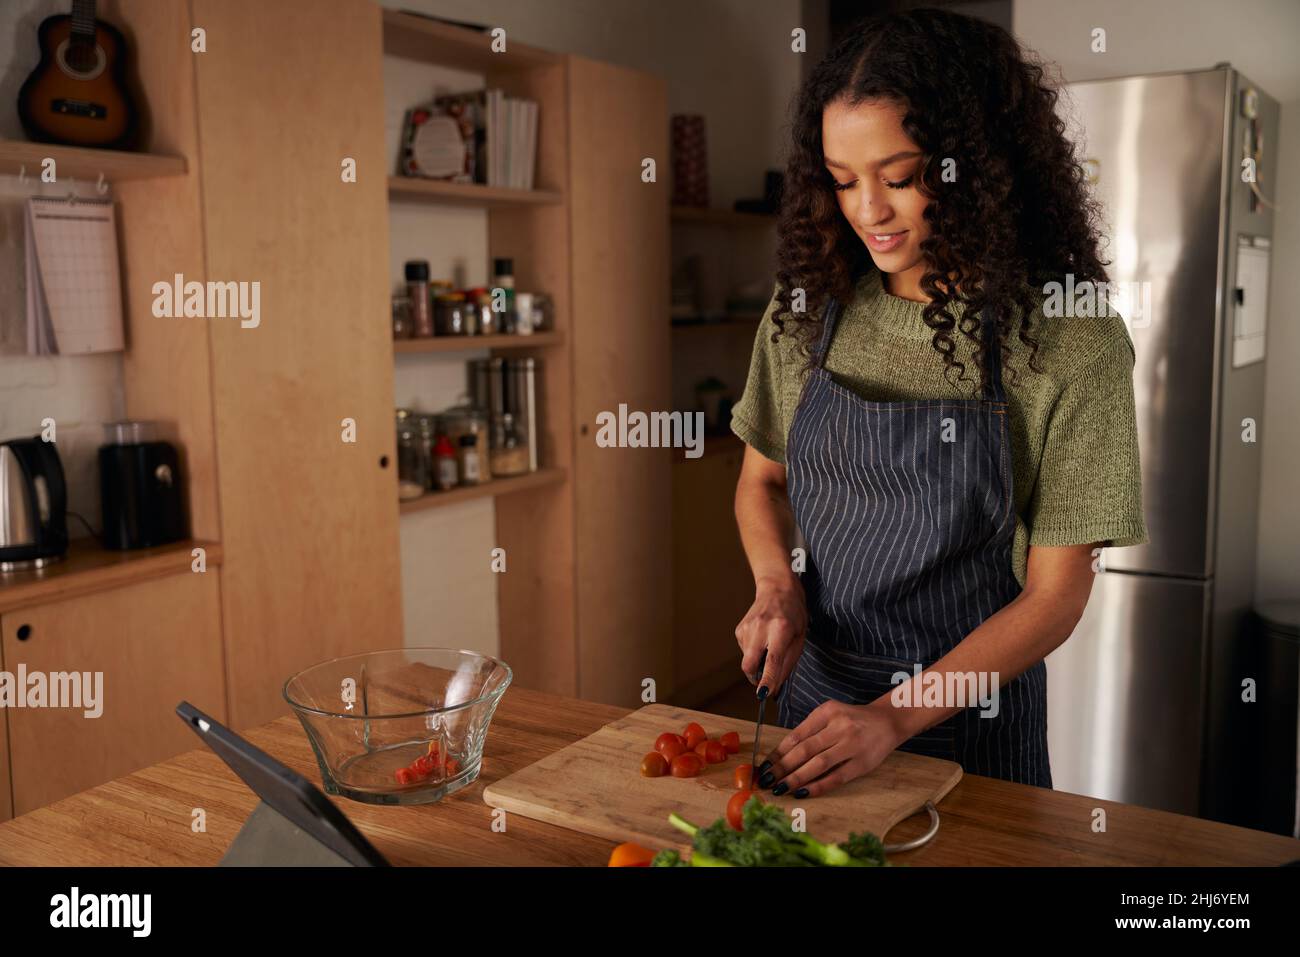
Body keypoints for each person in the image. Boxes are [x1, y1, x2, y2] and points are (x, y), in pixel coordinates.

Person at [730, 8, 1146, 797]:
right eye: (843, 179)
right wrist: (776, 587)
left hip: (973, 732)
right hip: (820, 711)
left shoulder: (1067, 339)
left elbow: (1057, 594)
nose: (868, 211)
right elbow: (760, 480)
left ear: (977, 165)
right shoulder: (804, 312)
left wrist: (893, 716)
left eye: (900, 175)